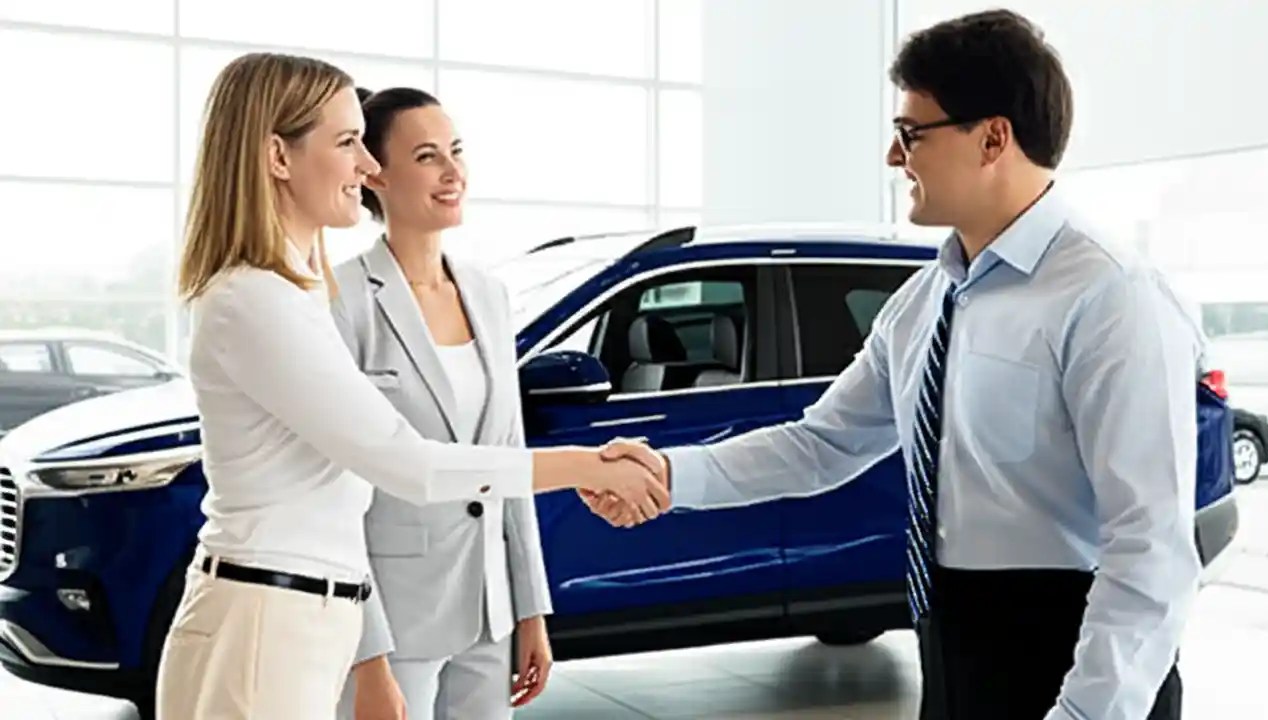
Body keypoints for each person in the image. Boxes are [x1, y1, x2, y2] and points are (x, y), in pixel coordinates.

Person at [590, 10, 1199, 720]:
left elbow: (1149, 544)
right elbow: (821, 445)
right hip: (952, 641)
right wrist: (670, 474)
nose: (892, 156)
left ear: (993, 138)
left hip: (1080, 659)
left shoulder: (1108, 294)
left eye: (912, 134)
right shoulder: (924, 301)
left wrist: (1088, 712)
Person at [158, 52, 668, 720]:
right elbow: (406, 463)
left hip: (304, 617)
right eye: (348, 143)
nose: (368, 166)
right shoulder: (256, 302)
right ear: (278, 158)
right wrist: (587, 466)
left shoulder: (293, 295)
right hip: (269, 625)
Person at [329, 86, 551, 720]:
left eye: (456, 151)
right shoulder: (343, 300)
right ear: (375, 174)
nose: (453, 172)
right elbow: (337, 493)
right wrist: (365, 652)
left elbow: (508, 456)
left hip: (489, 610)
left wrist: (530, 608)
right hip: (396, 618)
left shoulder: (490, 295)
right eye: (428, 156)